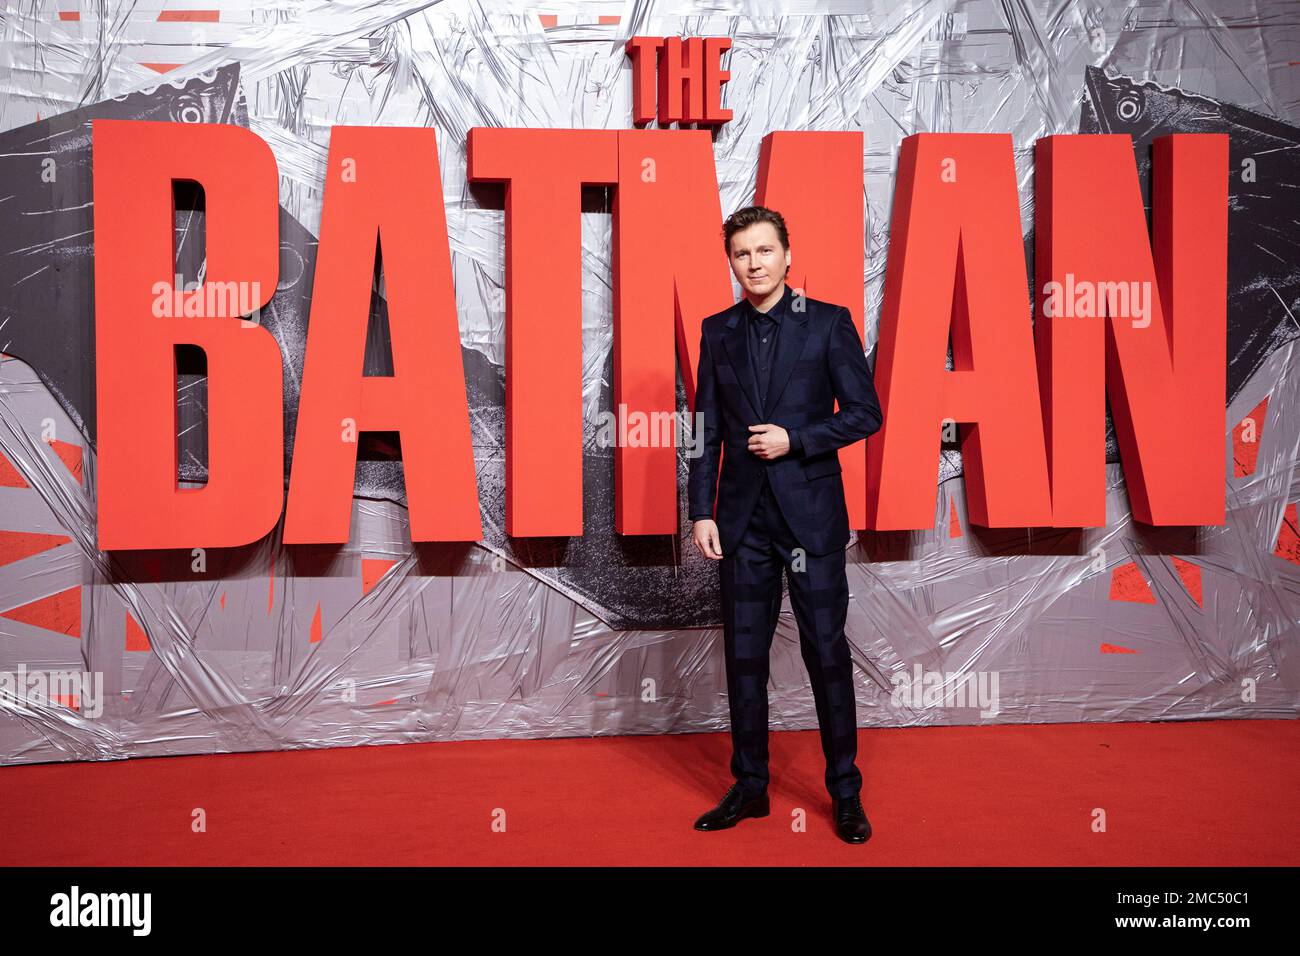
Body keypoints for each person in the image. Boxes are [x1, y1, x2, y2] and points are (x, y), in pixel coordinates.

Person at [687, 205, 882, 844]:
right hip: (742, 523)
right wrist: (701, 511)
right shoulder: (716, 333)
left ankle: (845, 794)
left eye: (765, 251)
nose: (755, 263)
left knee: (826, 655)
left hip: (811, 520)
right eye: (743, 254)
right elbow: (704, 430)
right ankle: (750, 787)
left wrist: (795, 439)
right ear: (732, 262)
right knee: (744, 658)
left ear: (787, 255)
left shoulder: (828, 324)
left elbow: (864, 413)